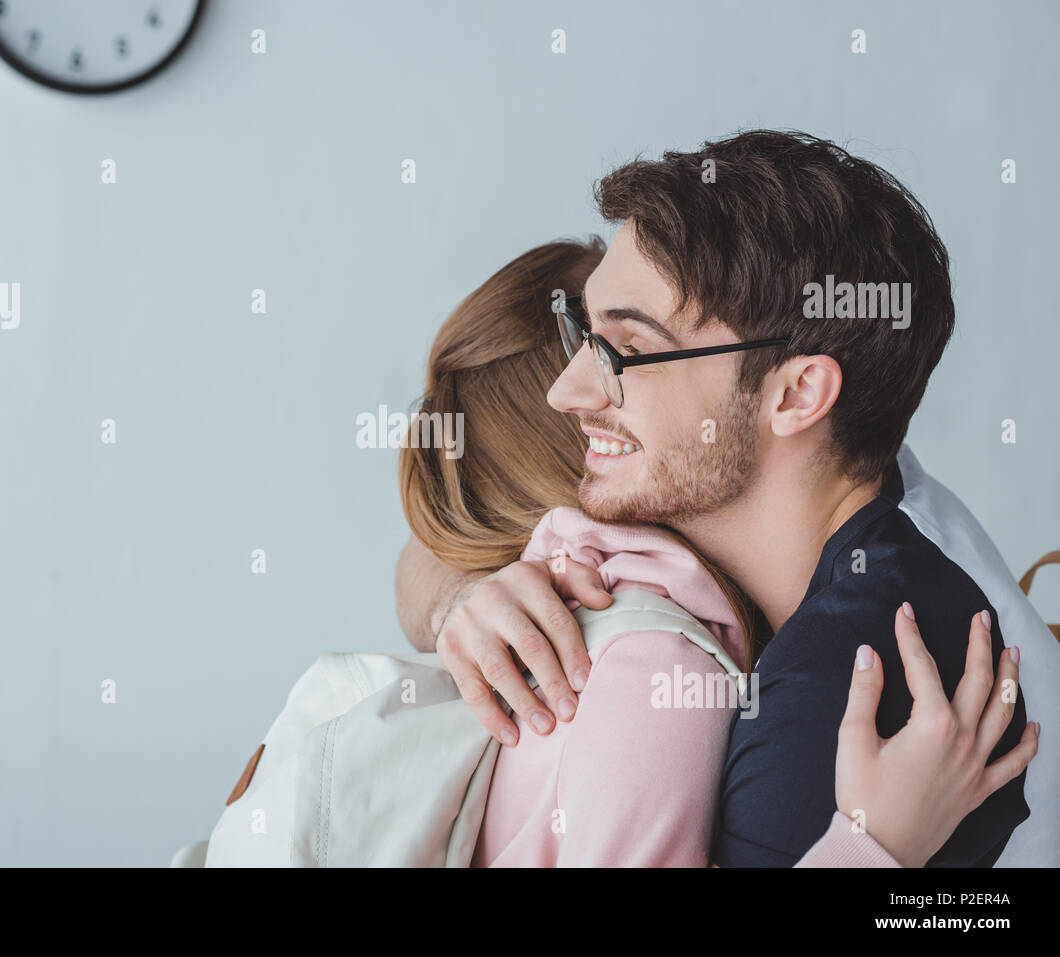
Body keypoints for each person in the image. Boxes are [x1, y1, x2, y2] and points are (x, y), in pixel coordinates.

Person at [400, 131, 1041, 866]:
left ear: (797, 394)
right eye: (581, 332)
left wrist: (871, 848)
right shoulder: (844, 534)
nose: (565, 391)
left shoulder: (830, 714)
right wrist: (464, 597)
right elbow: (428, 549)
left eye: (629, 353)